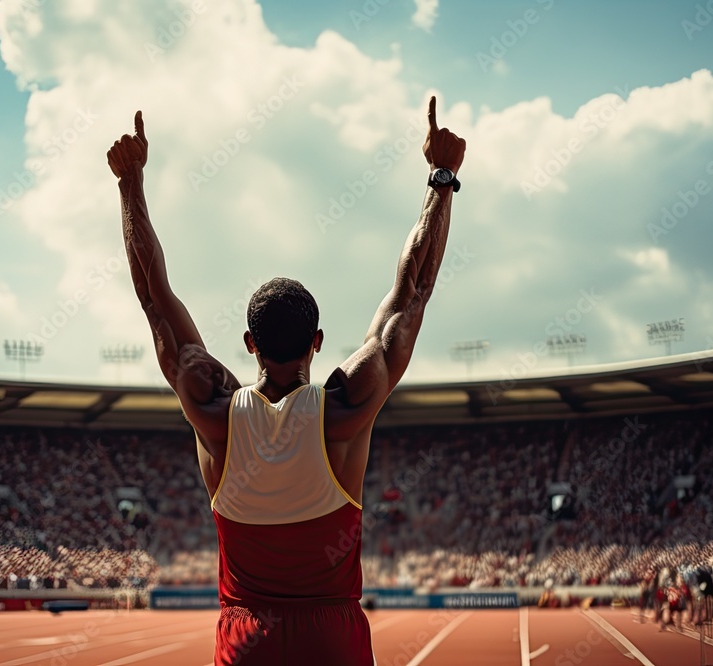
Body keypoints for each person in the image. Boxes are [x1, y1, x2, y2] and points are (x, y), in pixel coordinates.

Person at [107, 97, 465, 666]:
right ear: (318, 342)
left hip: (249, 638)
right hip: (333, 636)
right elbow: (411, 292)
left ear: (248, 344)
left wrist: (130, 183)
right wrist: (440, 179)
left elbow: (154, 298)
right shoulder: (345, 408)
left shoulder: (214, 408)